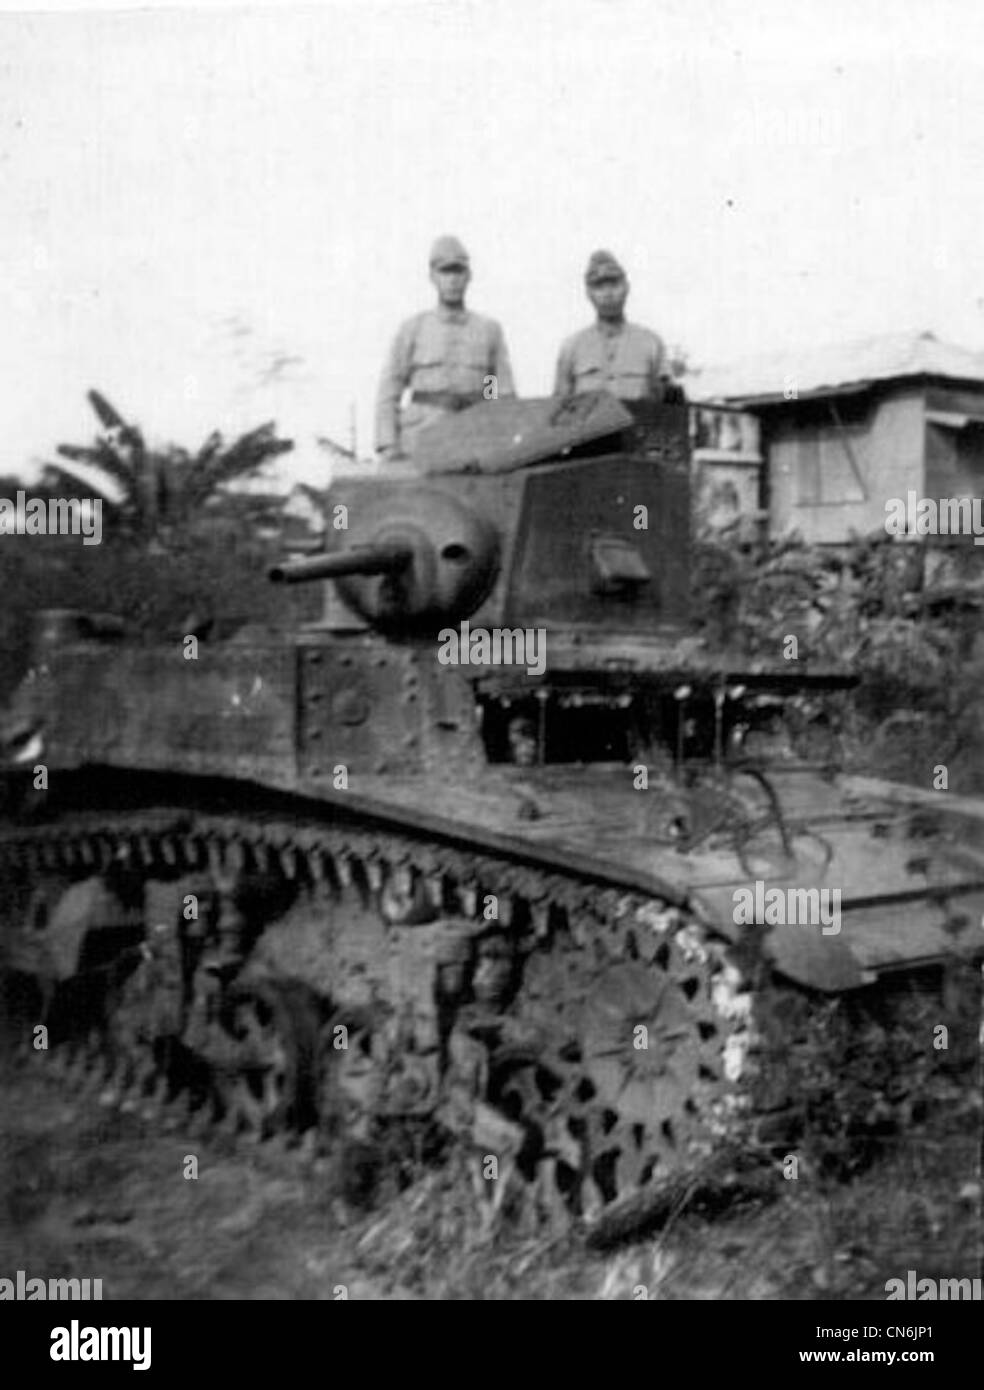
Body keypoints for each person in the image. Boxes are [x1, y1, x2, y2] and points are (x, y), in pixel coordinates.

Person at [375, 236, 515, 459]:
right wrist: (388, 444)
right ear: (432, 276)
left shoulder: (488, 331)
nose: (452, 281)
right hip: (421, 440)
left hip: (475, 440)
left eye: (458, 272)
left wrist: (502, 439)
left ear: (468, 276)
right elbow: (389, 390)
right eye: (445, 272)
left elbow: (496, 390)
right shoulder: (413, 329)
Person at [553, 250, 682, 407]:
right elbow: (558, 409)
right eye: (599, 287)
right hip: (592, 431)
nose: (608, 294)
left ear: (626, 288)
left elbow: (669, 406)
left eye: (614, 284)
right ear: (588, 294)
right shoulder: (572, 348)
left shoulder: (651, 343)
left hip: (639, 429)